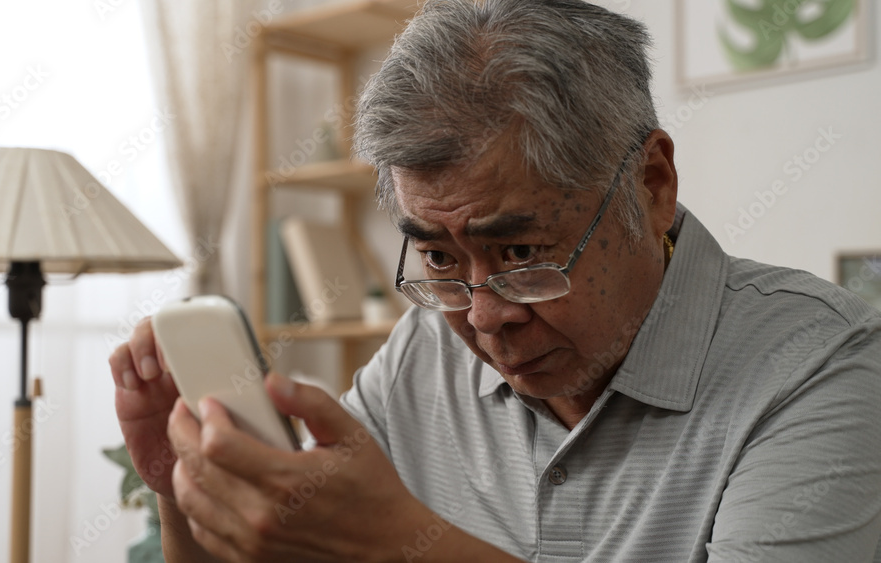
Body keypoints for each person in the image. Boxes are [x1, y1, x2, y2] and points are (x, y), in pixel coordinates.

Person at [108, 0, 881, 560]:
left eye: (520, 254)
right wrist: (189, 491)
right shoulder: (420, 354)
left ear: (651, 185)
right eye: (441, 260)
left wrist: (395, 543)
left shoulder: (819, 366)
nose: (482, 317)